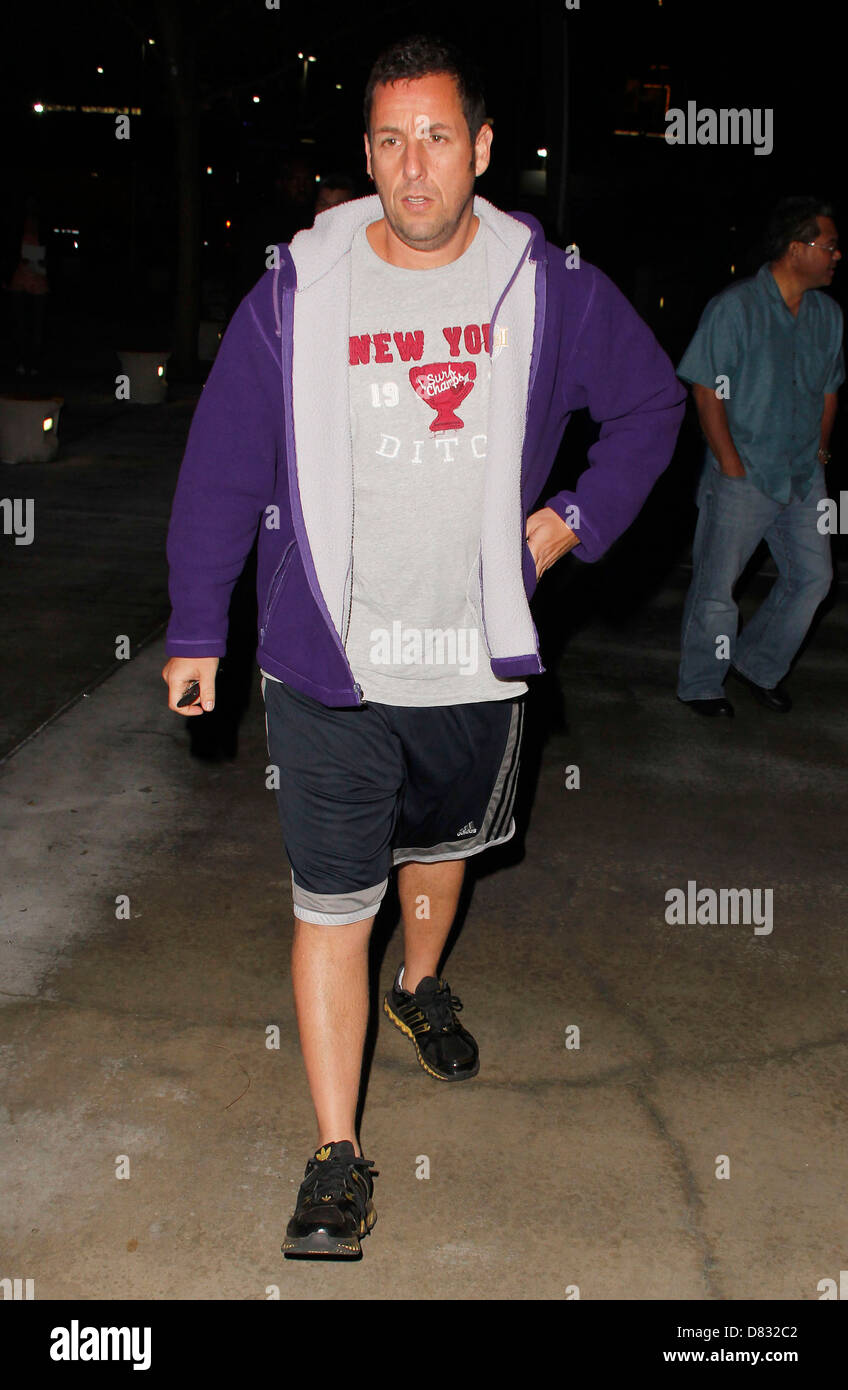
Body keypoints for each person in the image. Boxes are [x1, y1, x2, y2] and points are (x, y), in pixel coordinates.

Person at [162, 33, 685, 1260]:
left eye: (438, 137)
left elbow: (650, 403)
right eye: (390, 140)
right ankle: (336, 1155)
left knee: (438, 868)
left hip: (469, 660)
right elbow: (225, 458)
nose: (413, 167)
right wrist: (196, 623)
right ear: (364, 153)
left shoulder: (545, 283)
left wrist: (568, 521)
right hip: (325, 664)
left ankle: (419, 983)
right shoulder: (299, 286)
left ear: (482, 148)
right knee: (332, 905)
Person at [676, 196, 843, 716]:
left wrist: (819, 452)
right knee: (717, 588)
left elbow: (829, 389)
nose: (837, 255)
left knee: (814, 578)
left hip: (800, 473)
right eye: (829, 246)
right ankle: (702, 683)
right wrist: (728, 462)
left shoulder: (828, 315)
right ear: (797, 249)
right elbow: (706, 387)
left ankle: (757, 665)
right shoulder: (736, 307)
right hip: (742, 471)